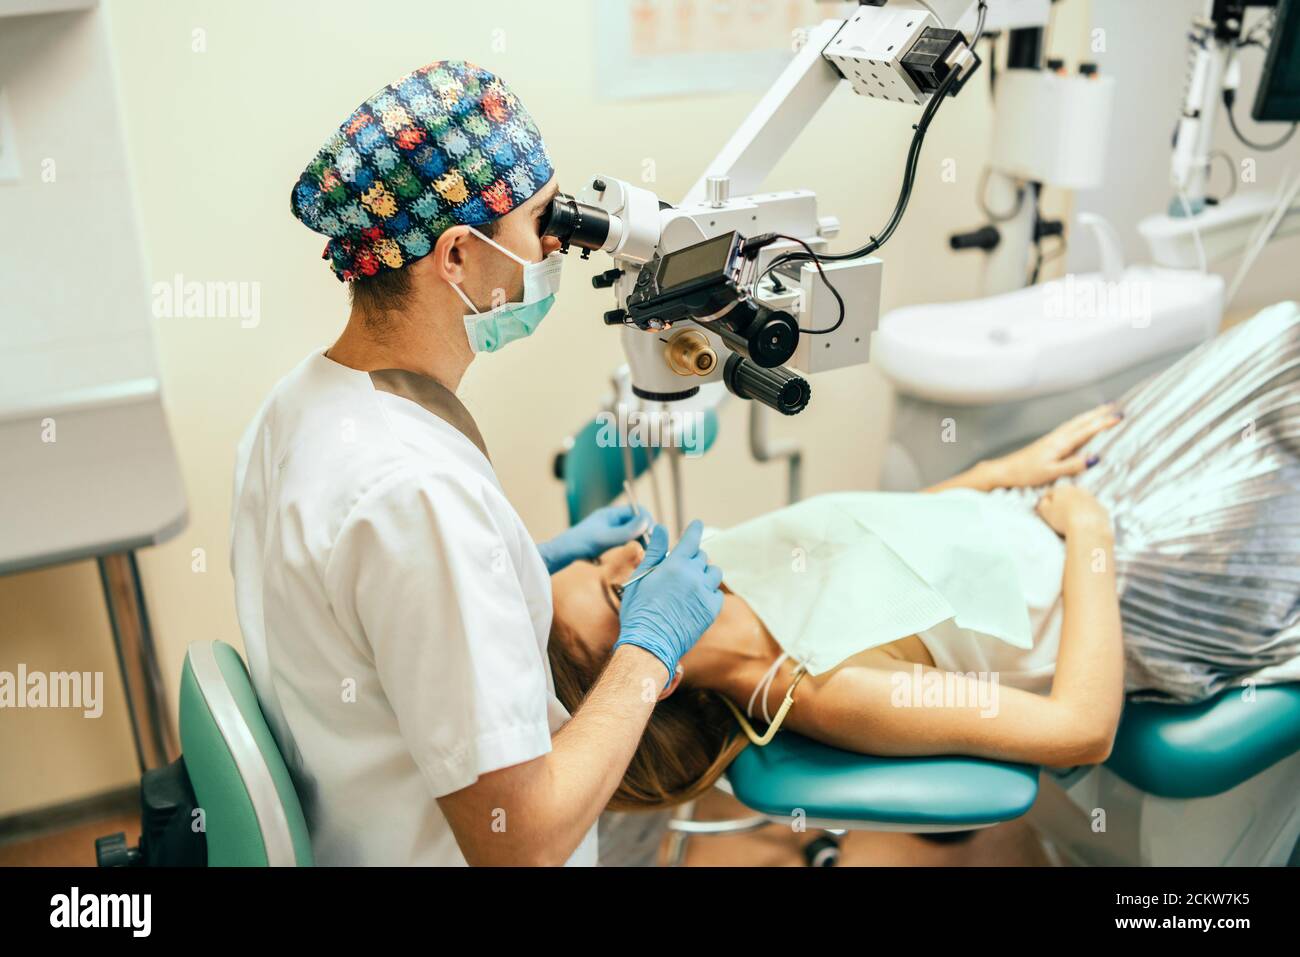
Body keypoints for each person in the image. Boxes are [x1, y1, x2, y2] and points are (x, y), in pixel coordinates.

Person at [230, 60, 723, 865]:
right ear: (455, 256)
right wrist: (648, 650)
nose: (560, 240)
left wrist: (521, 566)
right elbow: (520, 843)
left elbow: (359, 606)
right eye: (540, 220)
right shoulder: (415, 494)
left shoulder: (300, 402)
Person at [545, 302, 1300, 809]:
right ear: (658, 673)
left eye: (603, 557)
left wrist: (995, 475)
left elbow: (882, 541)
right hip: (1128, 581)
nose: (633, 556)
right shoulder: (824, 686)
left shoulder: (727, 568)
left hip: (1057, 511)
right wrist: (1093, 541)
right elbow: (1080, 728)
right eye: (619, 594)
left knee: (1276, 330)